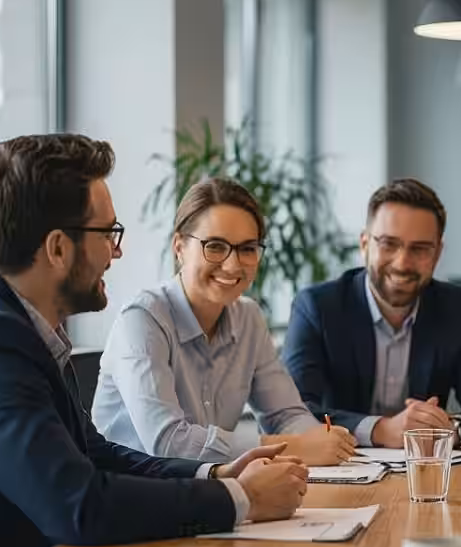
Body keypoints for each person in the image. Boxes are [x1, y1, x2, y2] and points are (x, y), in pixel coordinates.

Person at [0, 135, 308, 547]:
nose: (116, 252)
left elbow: (97, 455)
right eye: (108, 234)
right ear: (58, 249)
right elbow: (78, 504)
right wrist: (243, 498)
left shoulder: (23, 327)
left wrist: (217, 474)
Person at [92, 178, 354, 466]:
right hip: (130, 486)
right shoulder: (142, 320)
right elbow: (169, 442)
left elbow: (285, 415)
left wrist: (318, 439)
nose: (232, 265)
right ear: (179, 247)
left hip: (205, 485)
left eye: (247, 249)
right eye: (215, 246)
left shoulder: (249, 318)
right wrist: (293, 447)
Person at [282, 178, 461, 448]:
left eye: (420, 249)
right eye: (389, 244)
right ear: (365, 244)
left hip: (424, 467)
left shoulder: (457, 307)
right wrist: (380, 430)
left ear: (437, 253)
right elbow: (292, 413)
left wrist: (451, 429)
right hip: (340, 465)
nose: (402, 263)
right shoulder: (317, 307)